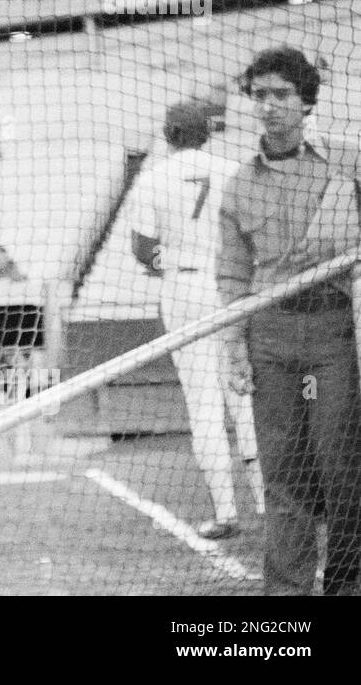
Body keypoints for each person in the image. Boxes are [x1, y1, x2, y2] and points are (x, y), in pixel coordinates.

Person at [218, 47, 361, 595]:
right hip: (269, 334)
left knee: (342, 465)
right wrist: (234, 346)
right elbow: (231, 278)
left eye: (281, 94)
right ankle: (286, 597)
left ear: (307, 102)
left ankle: (346, 583)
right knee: (282, 471)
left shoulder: (345, 166)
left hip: (334, 331)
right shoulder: (237, 185)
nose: (269, 105)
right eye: (260, 95)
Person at [129, 101, 264, 539]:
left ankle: (226, 512)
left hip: (184, 288)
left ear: (168, 135)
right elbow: (254, 232)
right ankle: (267, 504)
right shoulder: (232, 168)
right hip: (230, 284)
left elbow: (143, 251)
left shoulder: (152, 178)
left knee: (203, 402)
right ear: (207, 132)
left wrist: (172, 261)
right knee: (244, 396)